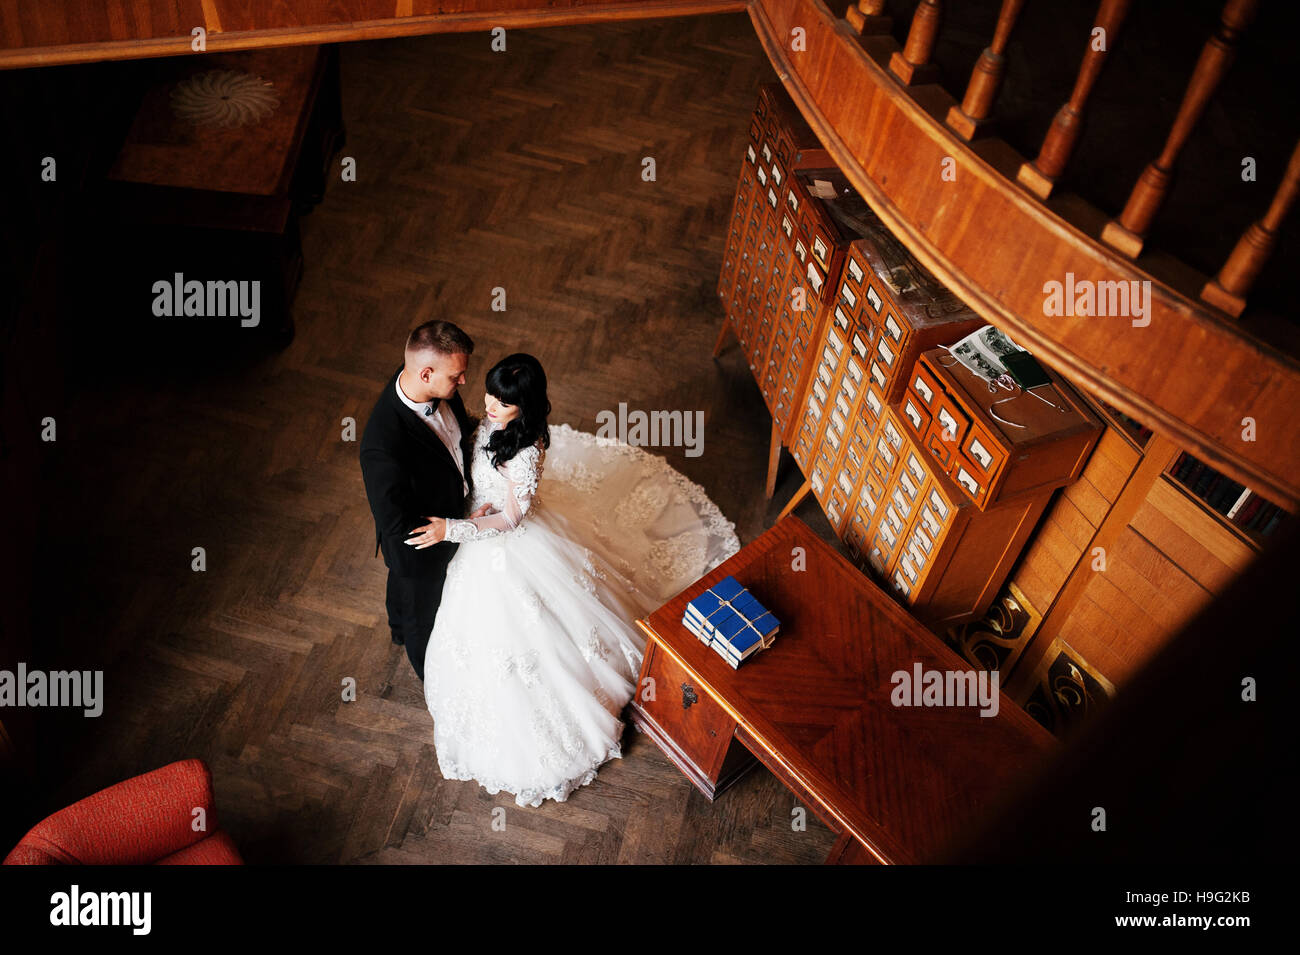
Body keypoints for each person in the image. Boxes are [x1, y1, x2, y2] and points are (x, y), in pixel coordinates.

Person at [406, 353, 739, 807]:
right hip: (485, 531)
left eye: (501, 403)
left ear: (523, 407)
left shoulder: (526, 453)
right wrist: (475, 508)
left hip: (512, 543)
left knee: (543, 635)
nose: (488, 406)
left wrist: (454, 529)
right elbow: (488, 489)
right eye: (488, 395)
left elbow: (513, 520)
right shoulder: (488, 422)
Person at [359, 320, 490, 680]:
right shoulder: (382, 444)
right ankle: (431, 680)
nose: (463, 382)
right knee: (423, 619)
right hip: (422, 549)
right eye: (456, 377)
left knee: (401, 596)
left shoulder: (432, 386)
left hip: (451, 513)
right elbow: (397, 523)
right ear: (426, 373)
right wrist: (455, 530)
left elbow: (452, 442)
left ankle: (396, 622)